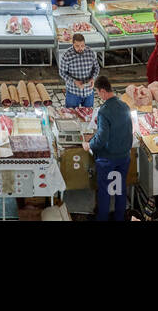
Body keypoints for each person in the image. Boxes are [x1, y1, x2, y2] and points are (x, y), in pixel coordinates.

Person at [84, 74, 132, 221]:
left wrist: (89, 145)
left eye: (98, 93)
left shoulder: (104, 111)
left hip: (107, 159)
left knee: (104, 191)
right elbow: (129, 130)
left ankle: (103, 218)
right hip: (123, 157)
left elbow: (102, 138)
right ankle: (119, 217)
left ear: (103, 91)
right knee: (119, 189)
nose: (99, 96)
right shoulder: (124, 105)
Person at [58, 33, 100, 107]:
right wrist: (74, 82)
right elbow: (62, 72)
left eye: (82, 45)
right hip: (73, 92)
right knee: (71, 115)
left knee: (88, 116)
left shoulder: (90, 52)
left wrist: (93, 78)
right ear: (73, 43)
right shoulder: (67, 55)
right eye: (77, 46)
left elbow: (96, 68)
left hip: (88, 92)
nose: (80, 48)